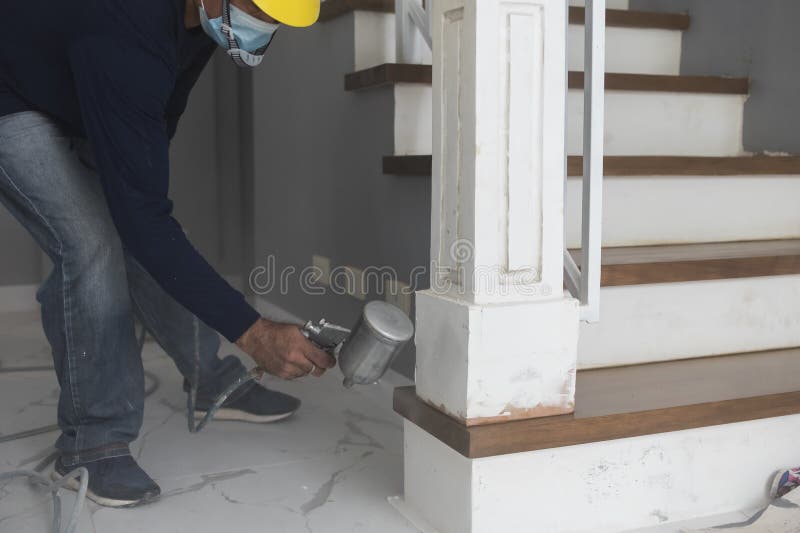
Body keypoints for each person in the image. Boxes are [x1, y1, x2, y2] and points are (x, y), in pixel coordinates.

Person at [0, 0, 334, 508]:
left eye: (276, 21)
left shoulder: (199, 21)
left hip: (79, 81)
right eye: (256, 11)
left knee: (144, 234)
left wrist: (139, 192)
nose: (264, 28)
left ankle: (210, 379)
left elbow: (162, 111)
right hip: (11, 93)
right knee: (94, 246)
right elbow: (141, 220)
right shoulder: (122, 27)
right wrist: (256, 331)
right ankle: (92, 444)